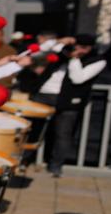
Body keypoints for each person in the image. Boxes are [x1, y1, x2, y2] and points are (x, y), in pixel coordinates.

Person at [32, 33, 106, 176]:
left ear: (91, 48)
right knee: (34, 129)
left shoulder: (98, 60)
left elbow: (78, 78)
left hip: (69, 101)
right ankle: (25, 160)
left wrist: (74, 58)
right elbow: (40, 49)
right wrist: (60, 41)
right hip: (44, 94)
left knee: (63, 134)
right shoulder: (63, 50)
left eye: (84, 47)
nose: (80, 49)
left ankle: (55, 166)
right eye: (77, 46)